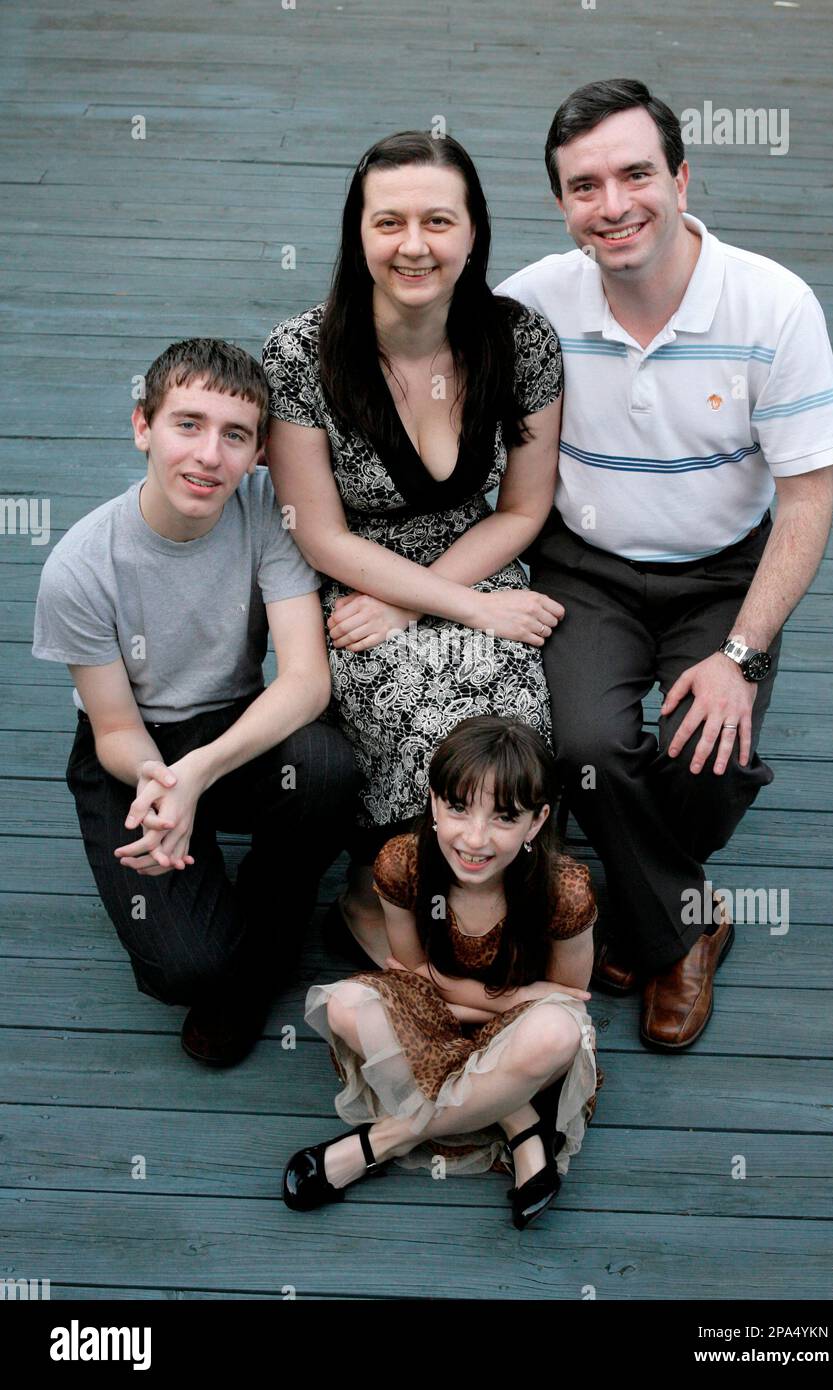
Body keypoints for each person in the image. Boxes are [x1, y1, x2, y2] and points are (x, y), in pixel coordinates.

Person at [495, 79, 833, 1051]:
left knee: (712, 745)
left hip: (722, 567)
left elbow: (809, 497)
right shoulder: (531, 303)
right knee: (584, 748)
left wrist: (739, 653)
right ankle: (685, 925)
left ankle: (647, 904)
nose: (612, 206)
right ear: (561, 202)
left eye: (635, 174)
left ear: (682, 176)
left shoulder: (773, 304)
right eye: (584, 186)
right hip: (587, 562)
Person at [261, 130, 565, 971]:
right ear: (357, 234)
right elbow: (315, 532)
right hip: (359, 585)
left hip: (477, 558)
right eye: (387, 221)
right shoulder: (301, 353)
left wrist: (432, 596)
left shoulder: (521, 343)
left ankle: (498, 911)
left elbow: (523, 506)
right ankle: (380, 891)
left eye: (438, 220)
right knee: (424, 719)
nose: (414, 245)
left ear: (473, 233)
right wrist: (440, 606)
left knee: (510, 726)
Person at [32, 339, 358, 1066]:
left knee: (325, 767)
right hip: (133, 750)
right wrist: (160, 785)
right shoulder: (80, 569)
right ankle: (236, 952)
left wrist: (200, 774)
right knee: (187, 968)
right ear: (142, 426)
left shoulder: (269, 510)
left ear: (259, 453)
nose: (209, 455)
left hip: (229, 729)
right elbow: (113, 725)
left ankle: (267, 931)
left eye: (235, 435)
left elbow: (306, 680)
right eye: (187, 424)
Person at [282, 716, 601, 1230]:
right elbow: (411, 974)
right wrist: (490, 998)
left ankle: (379, 1142)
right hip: (434, 1013)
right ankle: (517, 1119)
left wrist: (464, 995)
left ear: (537, 823)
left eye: (503, 817)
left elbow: (567, 997)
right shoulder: (402, 864)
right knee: (342, 1006)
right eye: (457, 807)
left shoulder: (563, 891)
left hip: (520, 1036)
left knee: (557, 1032)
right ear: (433, 802)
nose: (475, 839)